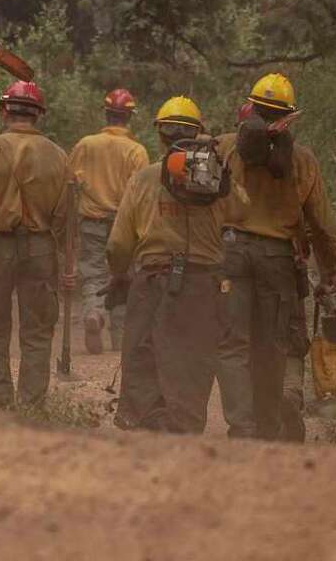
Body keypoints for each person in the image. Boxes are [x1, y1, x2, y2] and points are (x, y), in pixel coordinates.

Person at [216, 73, 336, 442]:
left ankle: (241, 427)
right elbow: (323, 226)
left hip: (231, 254)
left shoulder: (225, 148)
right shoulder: (303, 162)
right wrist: (331, 269)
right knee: (273, 346)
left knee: (231, 344)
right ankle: (270, 422)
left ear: (251, 108)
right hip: (278, 261)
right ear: (289, 117)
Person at [106, 96, 231, 432]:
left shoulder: (144, 179)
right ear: (199, 134)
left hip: (152, 280)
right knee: (194, 358)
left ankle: (147, 426)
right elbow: (239, 226)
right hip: (203, 285)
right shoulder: (220, 182)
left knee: (142, 356)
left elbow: (118, 244)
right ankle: (185, 430)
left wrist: (120, 274)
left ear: (160, 135)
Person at [0, 79, 72, 409]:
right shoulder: (58, 155)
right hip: (41, 247)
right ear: (39, 115)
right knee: (38, 331)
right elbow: (66, 217)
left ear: (4, 111)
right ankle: (30, 406)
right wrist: (67, 263)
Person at [68, 88, 148, 352]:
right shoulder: (137, 151)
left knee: (93, 273)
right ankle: (120, 339)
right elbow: (141, 194)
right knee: (124, 274)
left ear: (107, 114)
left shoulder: (86, 144)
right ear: (129, 117)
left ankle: (94, 312)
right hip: (124, 224)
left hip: (91, 219)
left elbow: (71, 182)